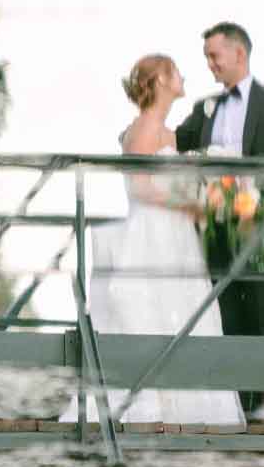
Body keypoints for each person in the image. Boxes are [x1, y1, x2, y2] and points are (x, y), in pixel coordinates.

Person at [59, 54, 245, 432]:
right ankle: (151, 406)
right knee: (155, 310)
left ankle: (187, 408)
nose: (182, 76)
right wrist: (190, 202)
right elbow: (142, 189)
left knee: (186, 312)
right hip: (153, 232)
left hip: (175, 232)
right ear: (160, 80)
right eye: (175, 71)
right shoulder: (143, 129)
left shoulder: (166, 131)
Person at [174, 23, 264, 417]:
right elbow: (174, 143)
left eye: (213, 56)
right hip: (216, 230)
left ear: (239, 54)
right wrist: (141, 128)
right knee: (226, 319)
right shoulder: (205, 107)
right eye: (206, 58)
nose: (210, 65)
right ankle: (234, 412)